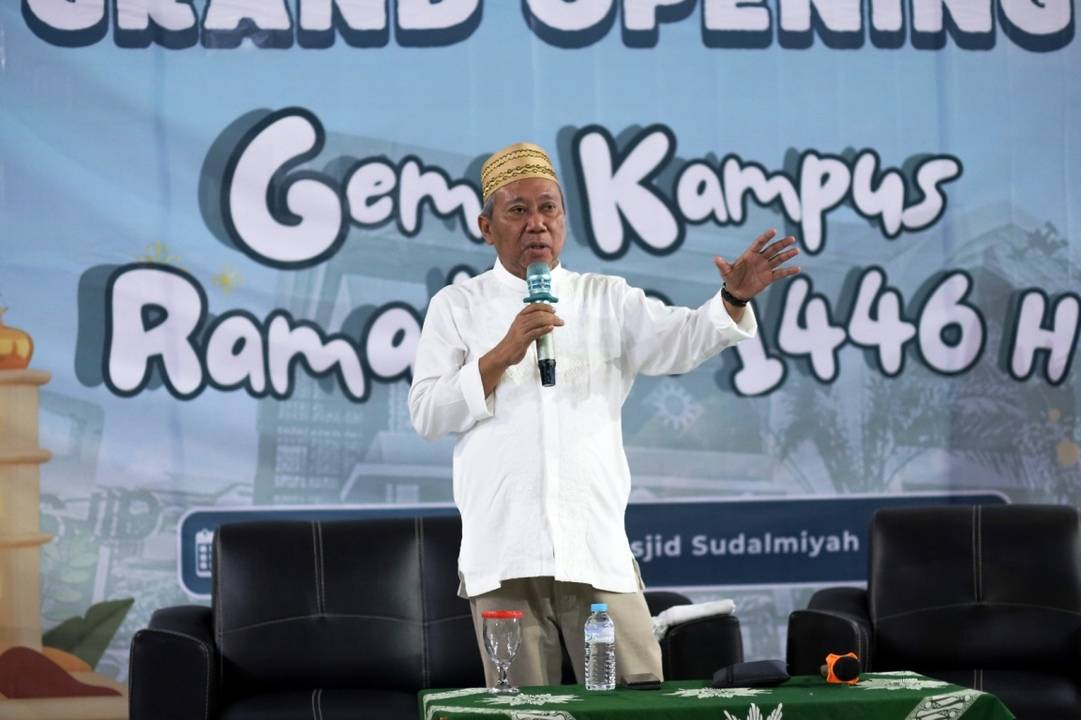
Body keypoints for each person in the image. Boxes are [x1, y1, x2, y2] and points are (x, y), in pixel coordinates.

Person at [408, 142, 800, 688]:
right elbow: (427, 412)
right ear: (486, 227)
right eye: (518, 210)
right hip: (504, 556)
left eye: (549, 208)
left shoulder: (606, 298)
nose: (537, 223)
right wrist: (503, 353)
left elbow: (683, 339)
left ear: (564, 219)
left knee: (636, 703)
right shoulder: (457, 306)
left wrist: (732, 297)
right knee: (524, 714)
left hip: (595, 549)